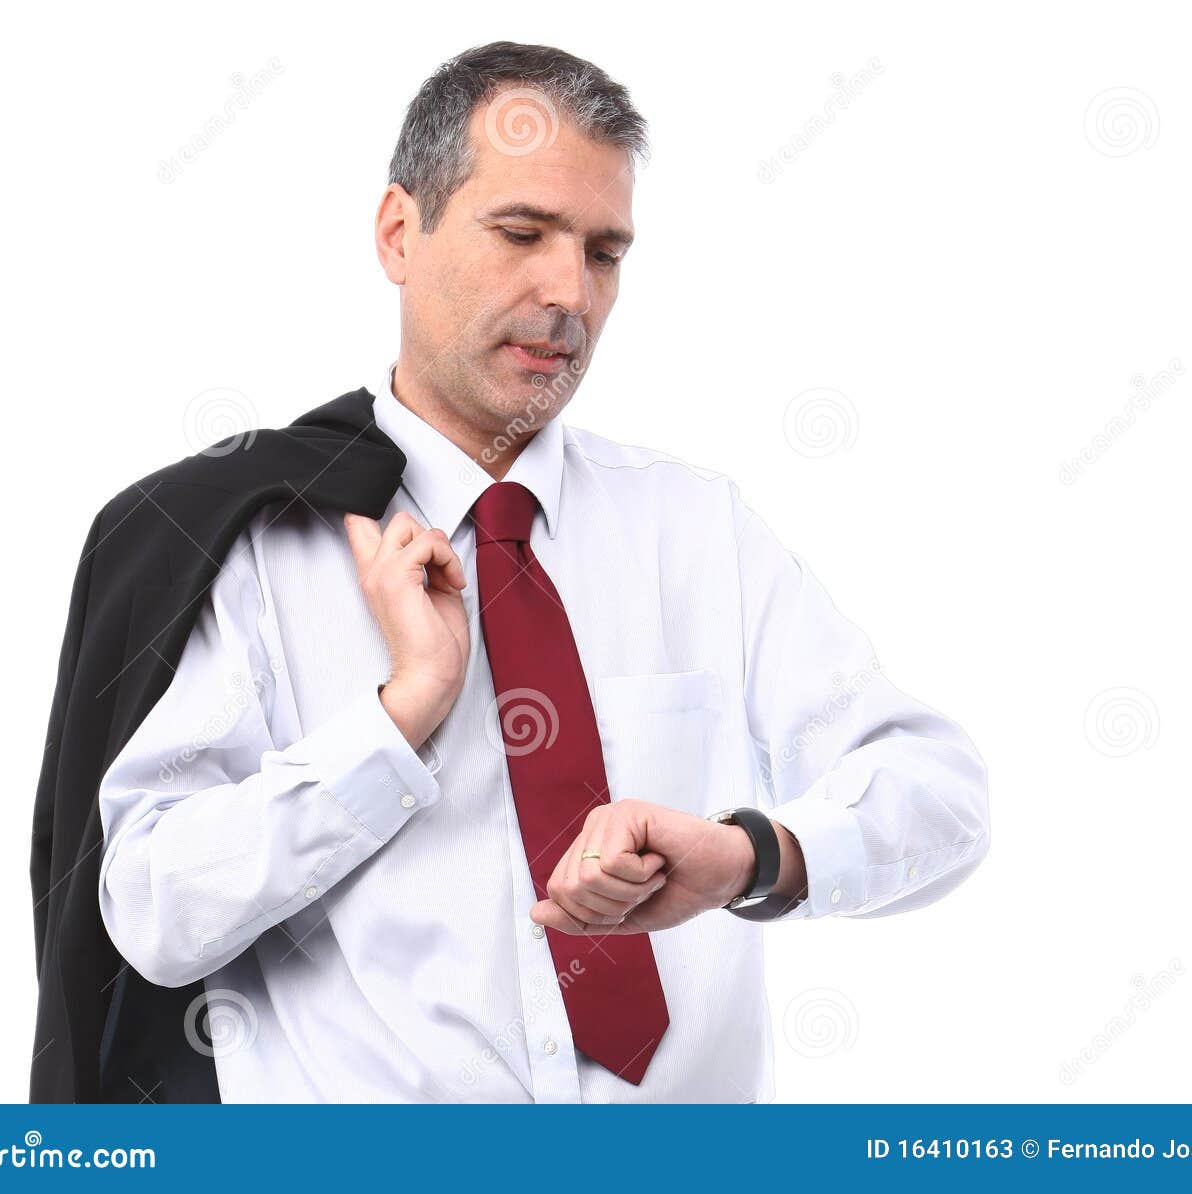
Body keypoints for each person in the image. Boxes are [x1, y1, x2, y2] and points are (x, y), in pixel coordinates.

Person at [92, 40, 990, 1103]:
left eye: (603, 252)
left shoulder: (695, 529)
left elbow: (940, 797)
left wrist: (750, 855)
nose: (569, 290)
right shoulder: (249, 544)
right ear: (398, 233)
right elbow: (153, 911)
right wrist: (394, 720)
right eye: (521, 232)